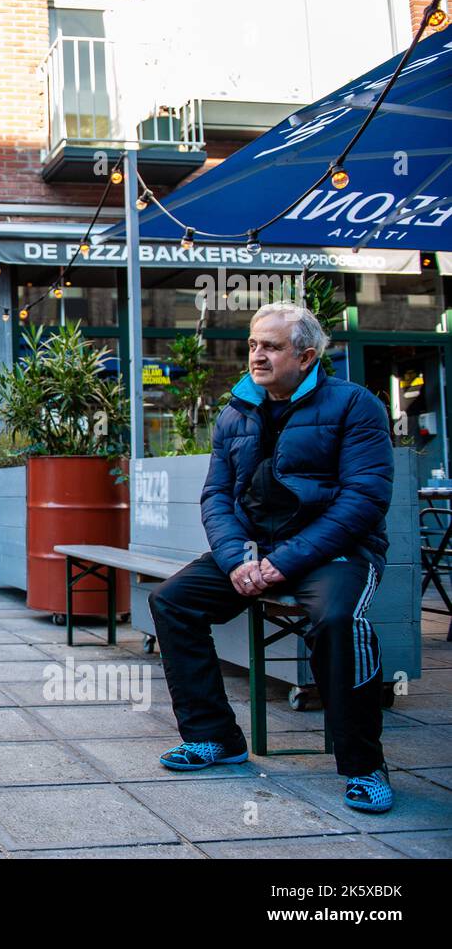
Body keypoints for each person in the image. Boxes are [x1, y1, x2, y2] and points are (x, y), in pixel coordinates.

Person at [148, 302, 396, 813]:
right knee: (173, 602)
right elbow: (216, 497)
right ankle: (215, 737)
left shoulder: (355, 406)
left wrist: (287, 561)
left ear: (305, 357)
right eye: (253, 345)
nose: (256, 356)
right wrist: (239, 558)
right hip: (254, 549)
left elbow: (364, 500)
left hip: (337, 550)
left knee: (339, 622)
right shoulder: (235, 411)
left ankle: (364, 766)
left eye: (271, 347)